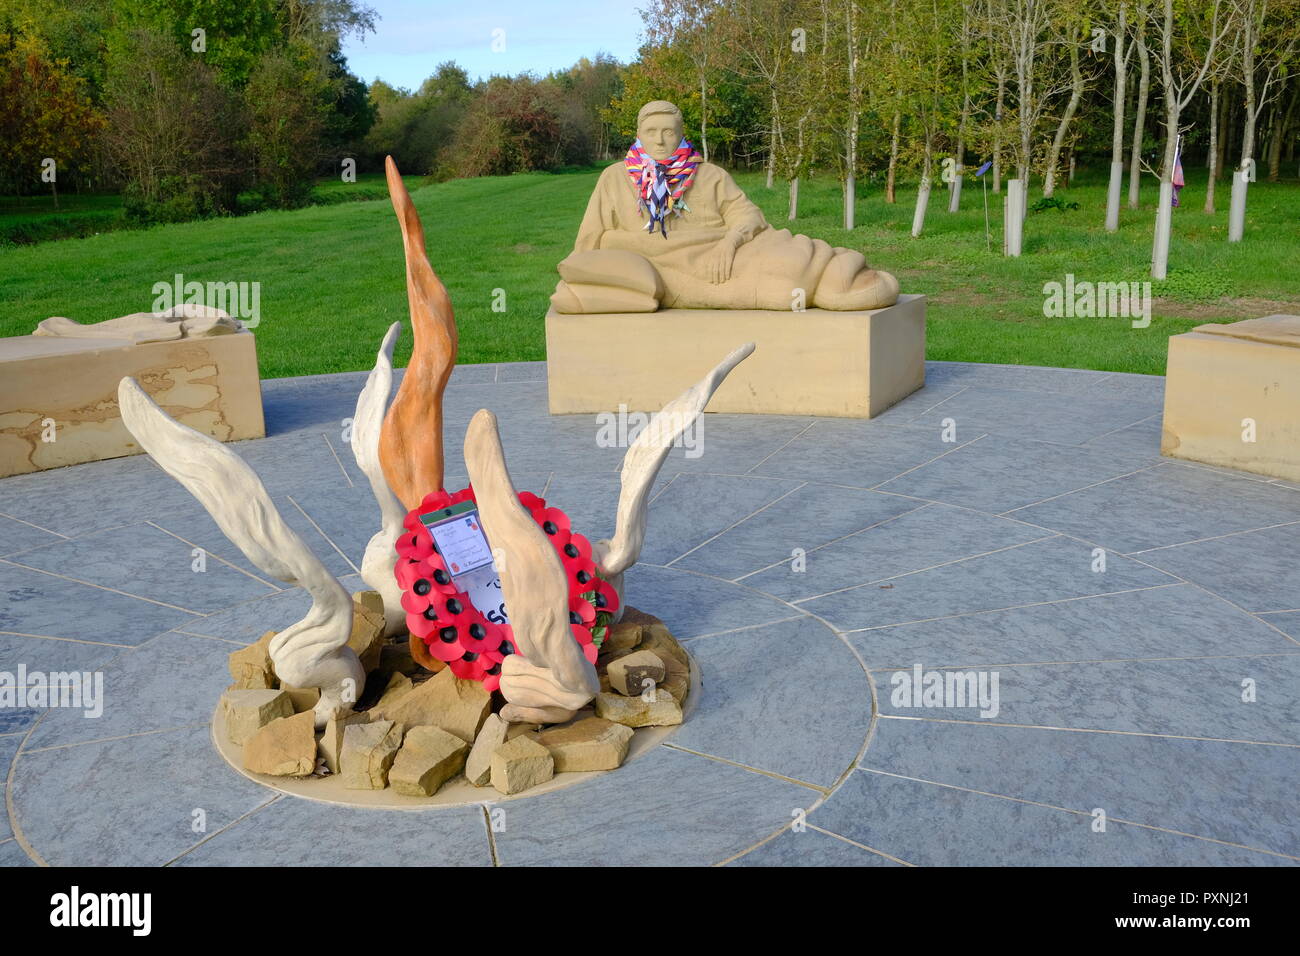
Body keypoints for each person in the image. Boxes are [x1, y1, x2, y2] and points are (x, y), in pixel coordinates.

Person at [551, 99, 900, 314]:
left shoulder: (708, 174)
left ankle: (834, 270)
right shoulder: (614, 178)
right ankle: (829, 281)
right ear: (638, 135)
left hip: (727, 251)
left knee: (790, 260)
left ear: (681, 135)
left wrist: (728, 244)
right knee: (786, 284)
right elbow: (589, 241)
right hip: (669, 262)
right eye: (651, 131)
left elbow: (747, 215)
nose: (659, 140)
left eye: (668, 132)